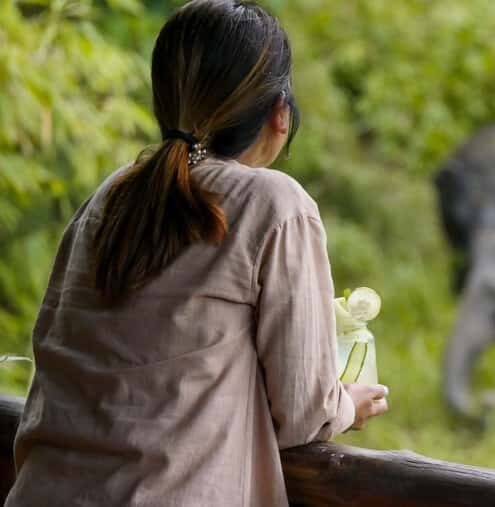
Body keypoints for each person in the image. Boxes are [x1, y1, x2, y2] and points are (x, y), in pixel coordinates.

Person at [4, 1, 388, 505]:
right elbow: (303, 413)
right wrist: (344, 405)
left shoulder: (108, 197)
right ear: (280, 113)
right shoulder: (274, 205)